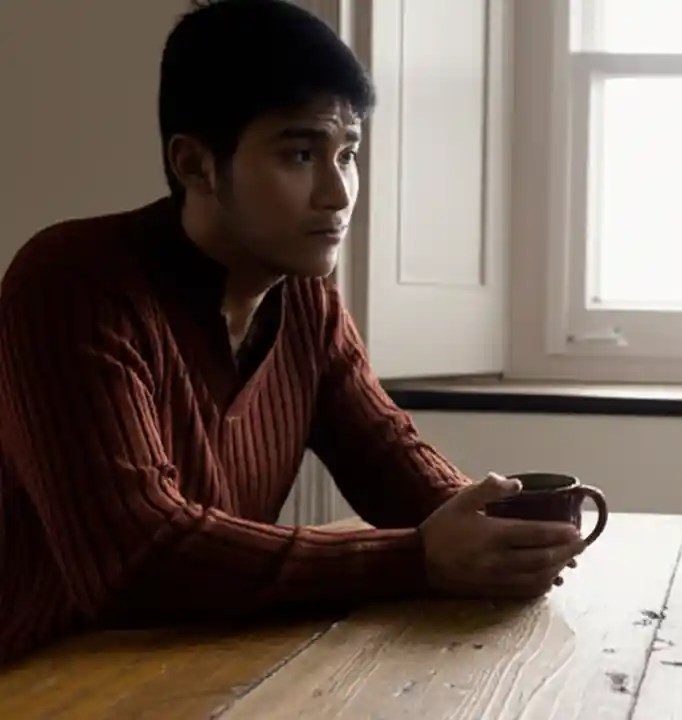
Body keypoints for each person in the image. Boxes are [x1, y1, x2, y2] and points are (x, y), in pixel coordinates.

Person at [0, 0, 584, 664]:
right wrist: (420, 557)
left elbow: (390, 458)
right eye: (301, 152)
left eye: (349, 152)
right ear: (195, 165)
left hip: (199, 671)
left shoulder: (306, 301)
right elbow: (136, 558)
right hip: (38, 680)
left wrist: (489, 528)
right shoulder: (72, 283)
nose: (338, 193)